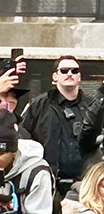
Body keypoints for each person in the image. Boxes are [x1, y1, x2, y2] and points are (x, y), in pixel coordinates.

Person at [18, 55, 101, 196]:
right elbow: (24, 138)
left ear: (79, 77)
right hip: (47, 182)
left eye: (74, 71)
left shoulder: (93, 106)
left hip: (85, 183)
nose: (69, 74)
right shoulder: (38, 105)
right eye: (64, 70)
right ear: (55, 76)